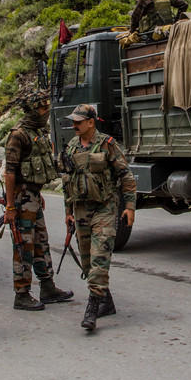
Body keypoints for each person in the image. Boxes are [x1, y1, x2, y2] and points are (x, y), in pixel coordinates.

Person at [59, 103, 137, 332]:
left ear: (91, 122)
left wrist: (130, 207)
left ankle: (91, 309)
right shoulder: (72, 146)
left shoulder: (107, 145)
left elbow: (126, 176)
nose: (74, 125)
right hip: (80, 210)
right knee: (87, 262)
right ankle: (106, 301)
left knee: (100, 258)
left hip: (104, 208)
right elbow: (67, 182)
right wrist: (67, 213)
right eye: (73, 121)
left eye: (78, 121)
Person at [4, 88, 74, 311]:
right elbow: (10, 173)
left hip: (33, 196)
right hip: (22, 198)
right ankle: (22, 294)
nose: (46, 111)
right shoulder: (19, 135)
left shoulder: (38, 131)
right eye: (42, 107)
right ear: (32, 109)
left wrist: (38, 193)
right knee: (24, 246)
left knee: (41, 242)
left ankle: (47, 286)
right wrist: (10, 205)